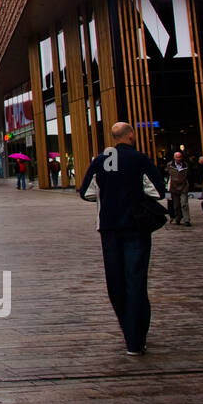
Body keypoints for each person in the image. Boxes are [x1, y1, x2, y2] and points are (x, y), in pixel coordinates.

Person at [78, 121, 166, 356]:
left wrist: (107, 196)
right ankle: (136, 339)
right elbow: (158, 191)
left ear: (113, 137)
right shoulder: (139, 159)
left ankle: (129, 333)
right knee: (136, 280)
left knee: (116, 282)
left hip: (108, 227)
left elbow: (86, 193)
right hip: (136, 226)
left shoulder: (101, 159)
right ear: (131, 135)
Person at [165, 151, 191, 227]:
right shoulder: (170, 165)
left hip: (184, 186)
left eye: (180, 157)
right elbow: (167, 175)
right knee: (176, 205)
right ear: (174, 158)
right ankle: (178, 219)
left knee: (184, 203)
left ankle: (187, 220)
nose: (178, 159)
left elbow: (189, 174)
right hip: (174, 186)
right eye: (177, 157)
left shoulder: (185, 164)